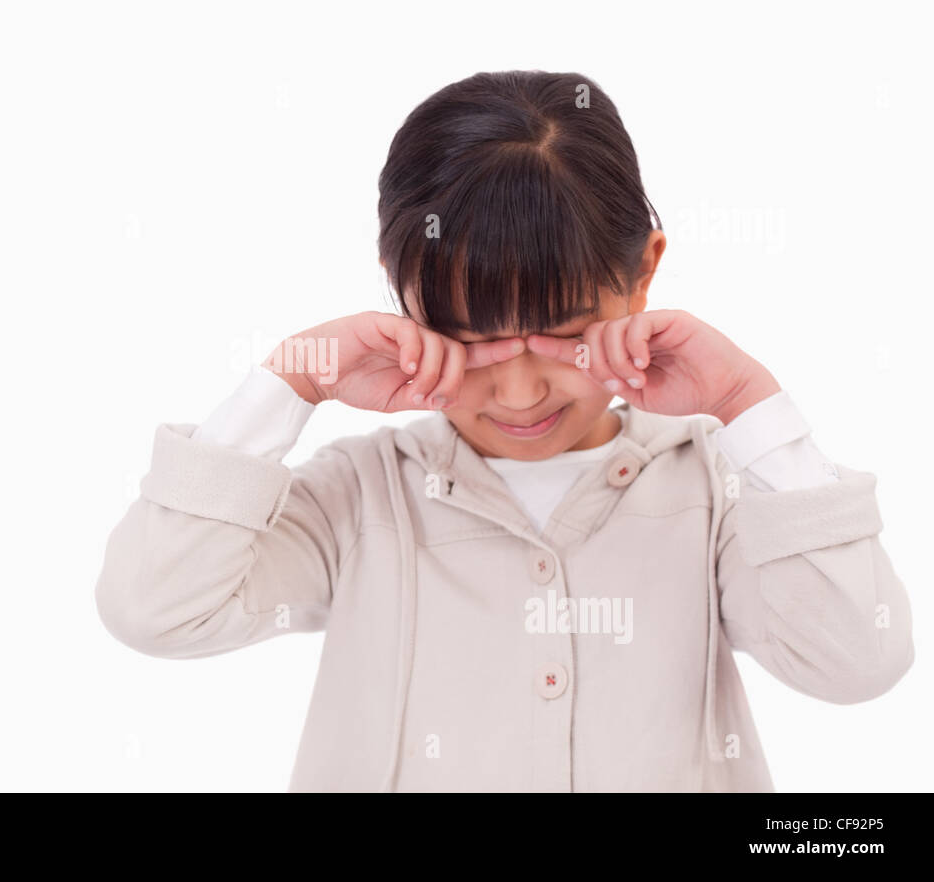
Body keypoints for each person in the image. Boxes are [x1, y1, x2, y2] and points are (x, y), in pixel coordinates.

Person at [95, 70, 914, 791]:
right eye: (471, 336)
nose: (519, 390)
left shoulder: (720, 494)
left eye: (562, 332)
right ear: (401, 292)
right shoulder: (355, 498)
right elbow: (153, 610)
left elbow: (859, 664)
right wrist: (290, 381)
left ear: (644, 275)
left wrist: (747, 405)